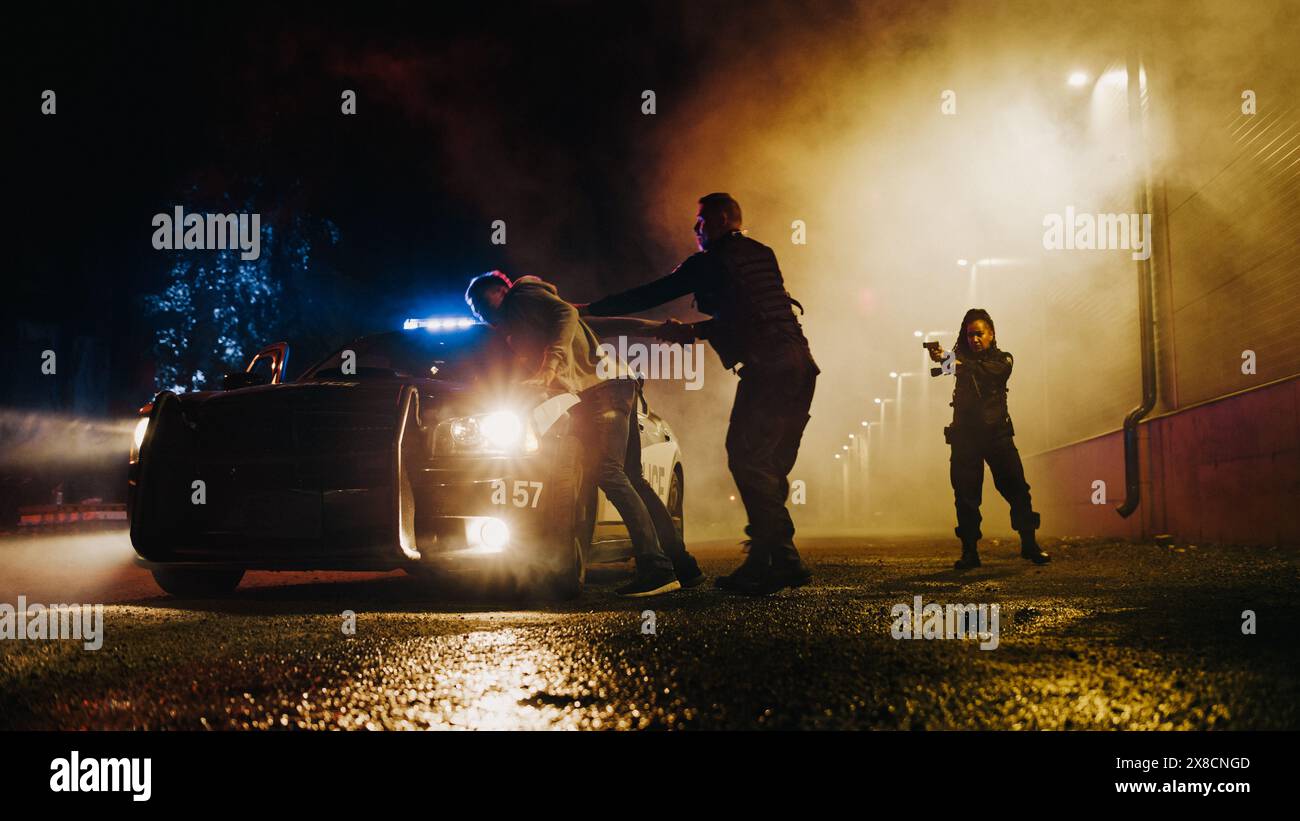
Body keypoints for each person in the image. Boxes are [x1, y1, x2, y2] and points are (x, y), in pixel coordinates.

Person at [580, 193, 818, 595]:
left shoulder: (712, 262)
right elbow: (755, 312)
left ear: (723, 219)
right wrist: (697, 331)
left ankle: (781, 561)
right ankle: (769, 559)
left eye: (702, 222)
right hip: (801, 368)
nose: (697, 231)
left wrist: (589, 310)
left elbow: (652, 293)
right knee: (769, 464)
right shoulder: (762, 254)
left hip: (768, 370)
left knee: (748, 459)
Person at [464, 270, 692, 597]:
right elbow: (598, 323)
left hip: (602, 390)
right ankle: (682, 565)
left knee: (608, 473)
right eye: (472, 307)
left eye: (478, 300)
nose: (477, 310)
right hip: (610, 386)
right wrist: (658, 330)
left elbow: (567, 314)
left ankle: (655, 567)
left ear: (501, 289)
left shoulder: (523, 296)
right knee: (630, 478)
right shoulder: (527, 321)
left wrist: (550, 367)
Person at [928, 308, 1050, 570]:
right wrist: (941, 357)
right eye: (970, 335)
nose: (974, 339)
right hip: (965, 438)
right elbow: (947, 367)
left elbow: (988, 372)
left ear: (991, 334)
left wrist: (954, 362)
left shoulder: (1003, 359)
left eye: (979, 334)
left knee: (1017, 489)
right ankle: (970, 552)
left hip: (997, 436)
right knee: (966, 496)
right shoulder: (957, 362)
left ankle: (1029, 543)